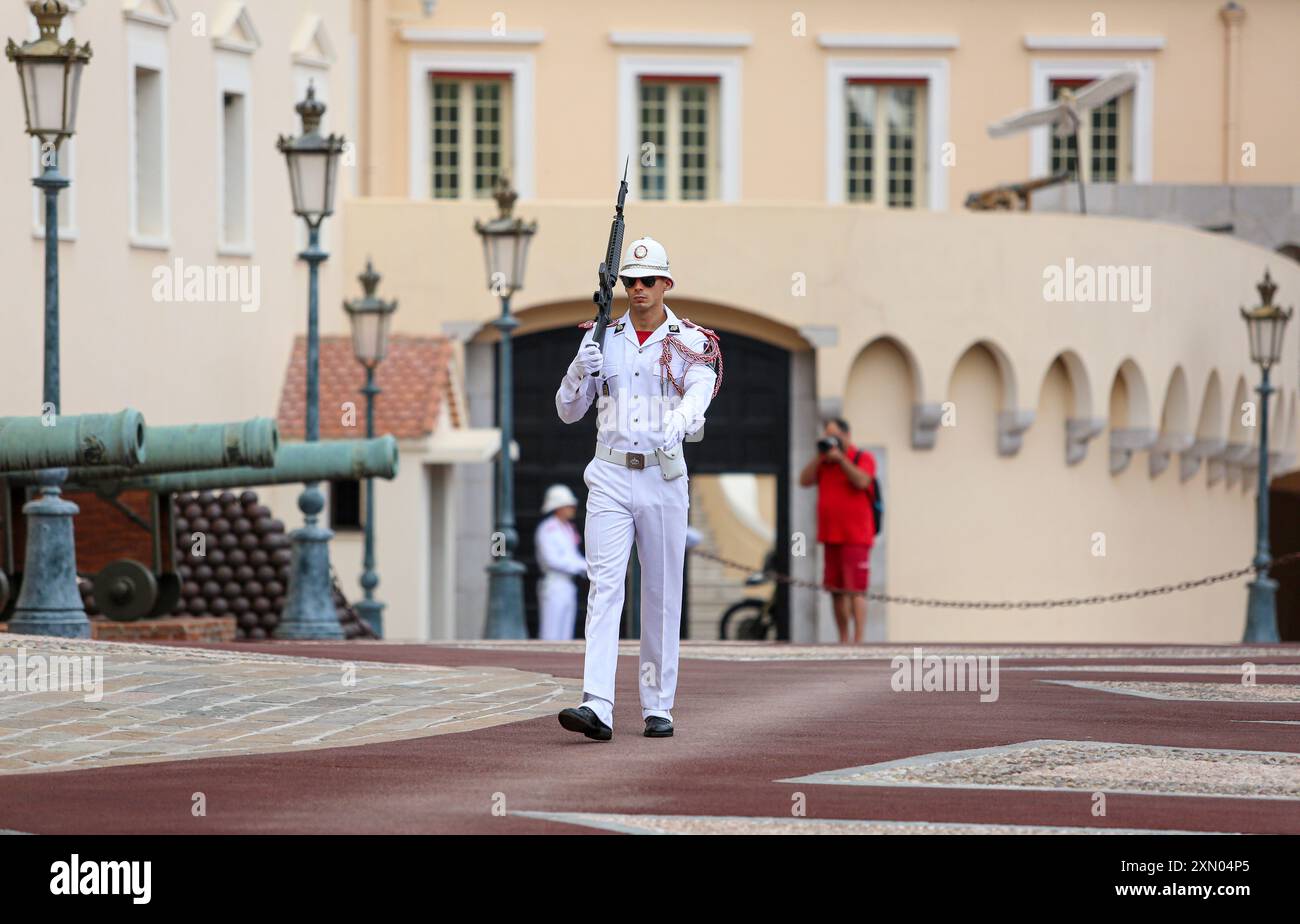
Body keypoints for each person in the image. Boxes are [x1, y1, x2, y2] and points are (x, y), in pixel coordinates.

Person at [553, 236, 721, 740]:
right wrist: (579, 369)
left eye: (648, 281)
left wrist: (684, 419)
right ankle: (597, 704)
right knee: (604, 587)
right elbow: (567, 411)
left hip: (663, 475)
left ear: (667, 283)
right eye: (630, 281)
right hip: (608, 473)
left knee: (661, 592)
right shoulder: (601, 337)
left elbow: (701, 388)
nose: (638, 289)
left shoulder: (689, 341)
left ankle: (657, 704)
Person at [798, 418, 877, 644]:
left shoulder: (862, 458)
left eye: (834, 435)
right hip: (830, 535)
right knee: (835, 590)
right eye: (827, 435)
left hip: (856, 535)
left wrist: (841, 459)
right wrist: (820, 456)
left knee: (856, 589)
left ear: (846, 435)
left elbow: (863, 482)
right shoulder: (823, 463)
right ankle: (843, 638)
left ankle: (858, 639)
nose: (831, 440)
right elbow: (804, 480)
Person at [534, 484, 588, 641]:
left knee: (565, 635)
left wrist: (588, 566)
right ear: (558, 507)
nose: (572, 508)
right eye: (568, 506)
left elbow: (572, 555)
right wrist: (582, 566)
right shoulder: (547, 528)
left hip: (568, 584)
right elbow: (552, 560)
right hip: (554, 583)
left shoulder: (568, 528)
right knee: (551, 634)